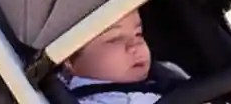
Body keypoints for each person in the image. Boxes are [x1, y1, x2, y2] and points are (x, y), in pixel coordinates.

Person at [60, 11, 190, 104]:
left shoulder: (169, 72)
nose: (135, 45)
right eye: (115, 39)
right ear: (68, 57)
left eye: (138, 34)